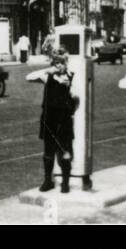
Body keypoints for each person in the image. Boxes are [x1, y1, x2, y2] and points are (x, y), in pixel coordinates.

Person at [28, 49, 79, 193]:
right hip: (48, 118)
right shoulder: (47, 77)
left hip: (63, 119)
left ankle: (65, 183)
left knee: (65, 151)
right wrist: (48, 71)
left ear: (66, 63)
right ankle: (47, 180)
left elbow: (76, 97)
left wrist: (69, 88)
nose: (59, 66)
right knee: (48, 151)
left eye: (61, 63)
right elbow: (29, 77)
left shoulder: (71, 77)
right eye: (56, 63)